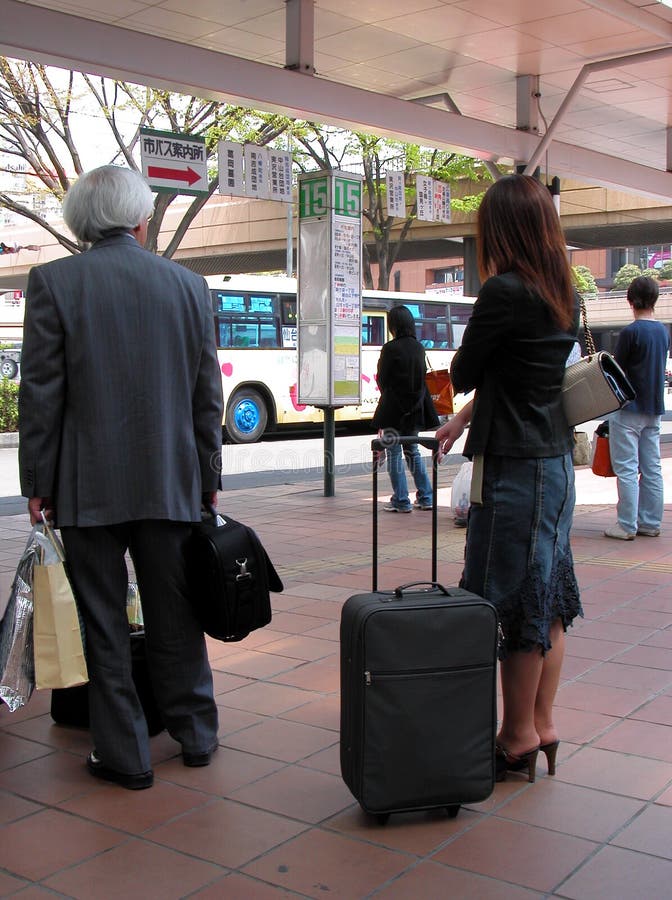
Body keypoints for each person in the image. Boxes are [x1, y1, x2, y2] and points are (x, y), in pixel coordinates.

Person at [18, 165, 224, 790]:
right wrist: (208, 474)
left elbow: (41, 395)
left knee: (103, 623)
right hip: (170, 482)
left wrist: (37, 482)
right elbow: (206, 395)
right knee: (176, 613)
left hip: (87, 488)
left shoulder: (54, 282)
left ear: (82, 222)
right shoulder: (188, 286)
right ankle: (195, 734)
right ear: (140, 218)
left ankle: (125, 754)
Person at [436, 174, 582, 783]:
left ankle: (516, 735)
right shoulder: (565, 292)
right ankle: (541, 724)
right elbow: (525, 380)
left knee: (514, 599)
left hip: (516, 470)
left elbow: (466, 370)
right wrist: (463, 420)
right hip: (556, 466)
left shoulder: (503, 292)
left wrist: (460, 393)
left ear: (502, 231)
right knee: (547, 600)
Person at [604, 275, 669, 540]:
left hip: (628, 409)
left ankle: (626, 525)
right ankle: (650, 523)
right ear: (655, 299)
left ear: (630, 300)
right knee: (652, 468)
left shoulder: (631, 332)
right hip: (654, 408)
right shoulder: (663, 331)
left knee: (627, 468)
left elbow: (616, 371)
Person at [372, 305, 439, 512]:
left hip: (393, 409)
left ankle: (401, 500)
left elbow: (382, 379)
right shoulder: (419, 347)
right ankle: (426, 497)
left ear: (393, 325)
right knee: (412, 451)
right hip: (415, 408)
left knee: (393, 452)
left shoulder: (390, 348)